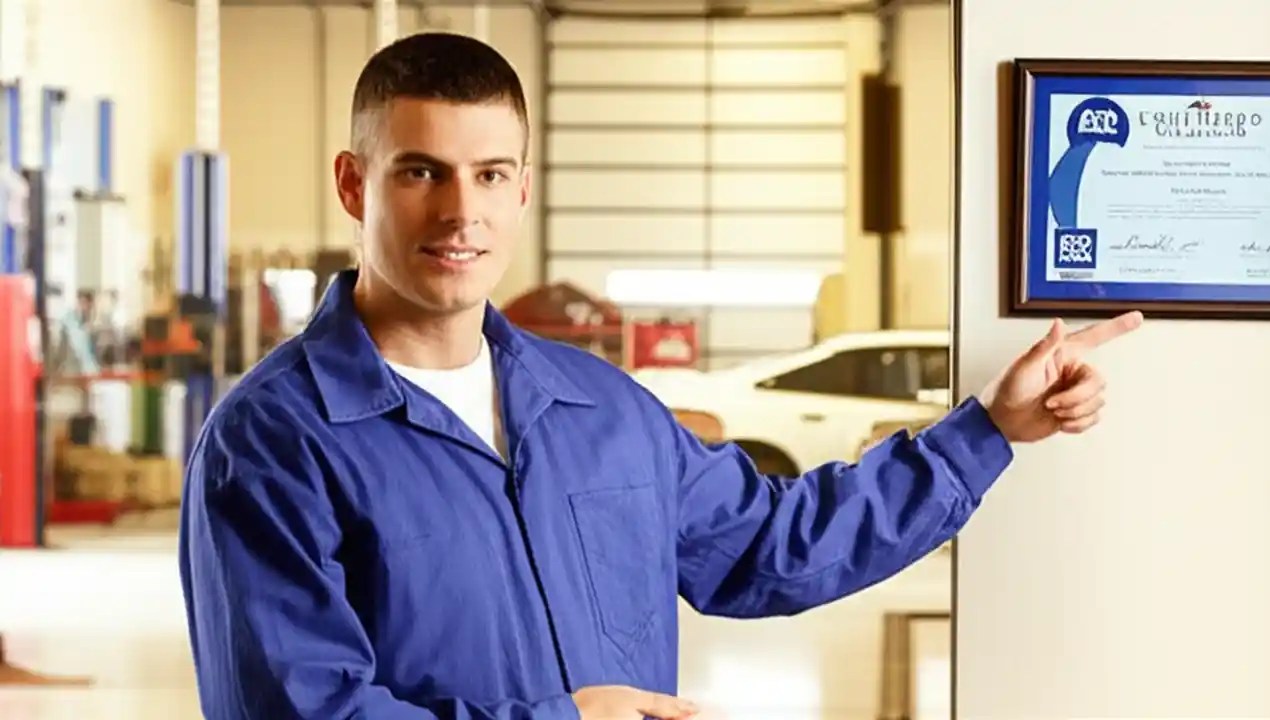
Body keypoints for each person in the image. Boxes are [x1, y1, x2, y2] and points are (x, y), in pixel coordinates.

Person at [177, 32, 1142, 720]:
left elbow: (773, 544)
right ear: (355, 183)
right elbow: (301, 707)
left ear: (523, 185)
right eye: (420, 172)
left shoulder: (601, 409)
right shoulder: (273, 441)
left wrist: (988, 432)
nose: (459, 212)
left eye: (490, 174)